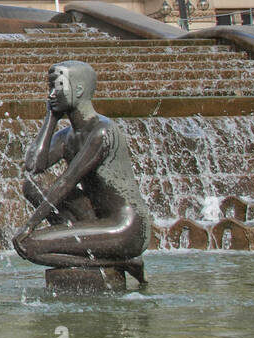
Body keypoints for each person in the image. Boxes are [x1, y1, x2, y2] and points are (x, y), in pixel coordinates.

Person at [12, 61, 150, 283]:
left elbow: (67, 182)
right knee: (34, 184)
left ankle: (120, 260)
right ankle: (109, 257)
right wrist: (50, 119)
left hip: (126, 227)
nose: (51, 94)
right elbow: (33, 166)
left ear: (78, 90)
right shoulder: (67, 135)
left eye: (58, 86)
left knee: (29, 246)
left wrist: (29, 226)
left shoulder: (102, 132)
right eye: (50, 88)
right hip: (95, 219)